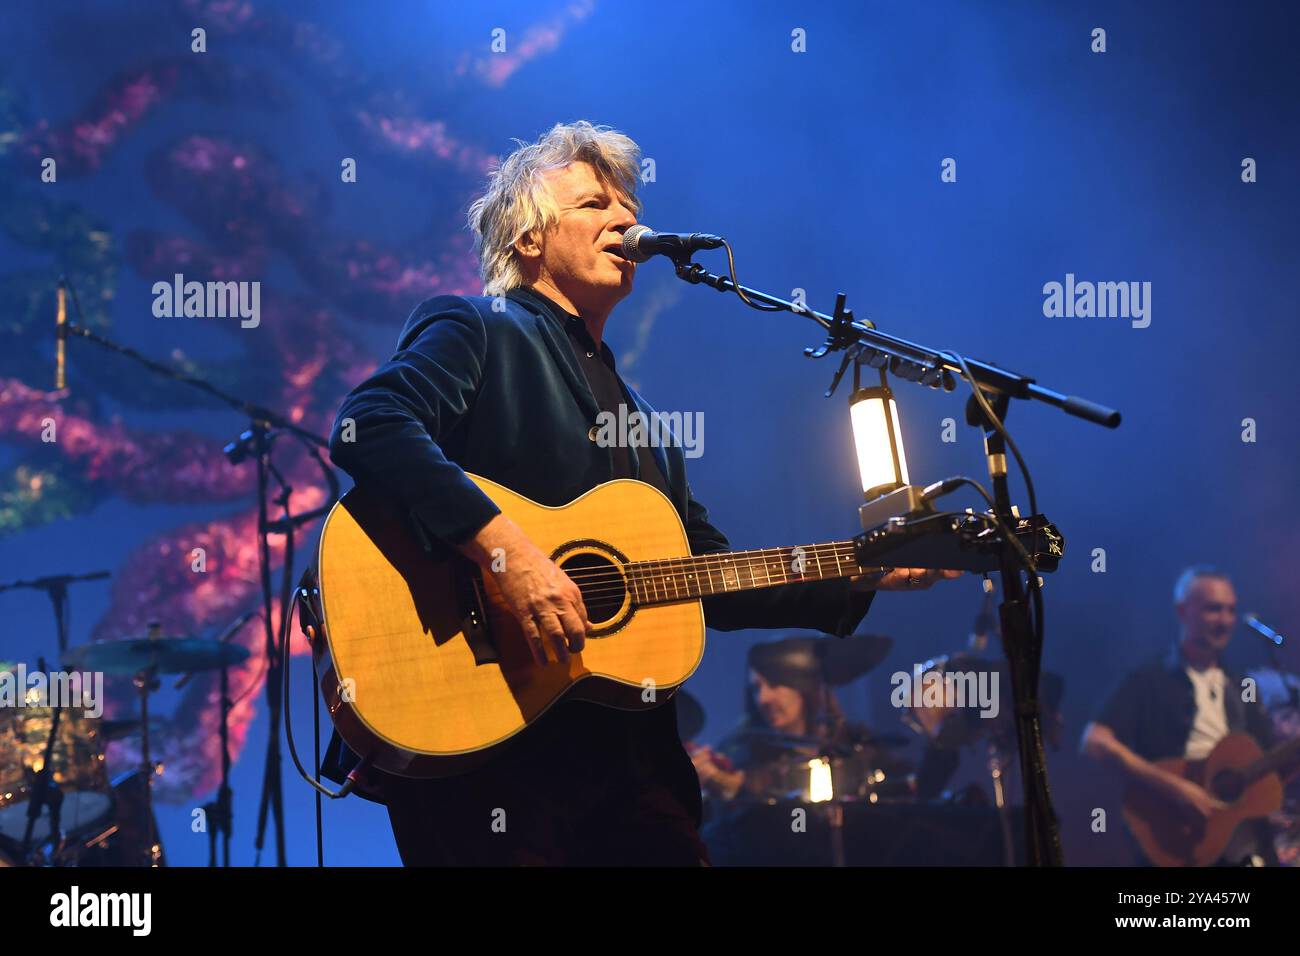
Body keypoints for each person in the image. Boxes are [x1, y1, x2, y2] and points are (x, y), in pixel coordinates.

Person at [323, 120, 958, 865]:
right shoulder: (479, 328)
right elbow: (370, 424)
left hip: (630, 761)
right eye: (595, 205)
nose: (627, 219)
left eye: (628, 205)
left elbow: (709, 579)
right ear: (528, 240)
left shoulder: (644, 423)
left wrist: (862, 568)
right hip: (485, 734)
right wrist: (507, 554)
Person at [1081, 566, 1277, 865]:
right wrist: (1174, 788)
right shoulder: (1148, 679)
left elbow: (1269, 766)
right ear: (1183, 611)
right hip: (1174, 836)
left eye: (1230, 611)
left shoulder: (1241, 687)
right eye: (1214, 609)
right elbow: (1095, 741)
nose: (1225, 621)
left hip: (1241, 842)